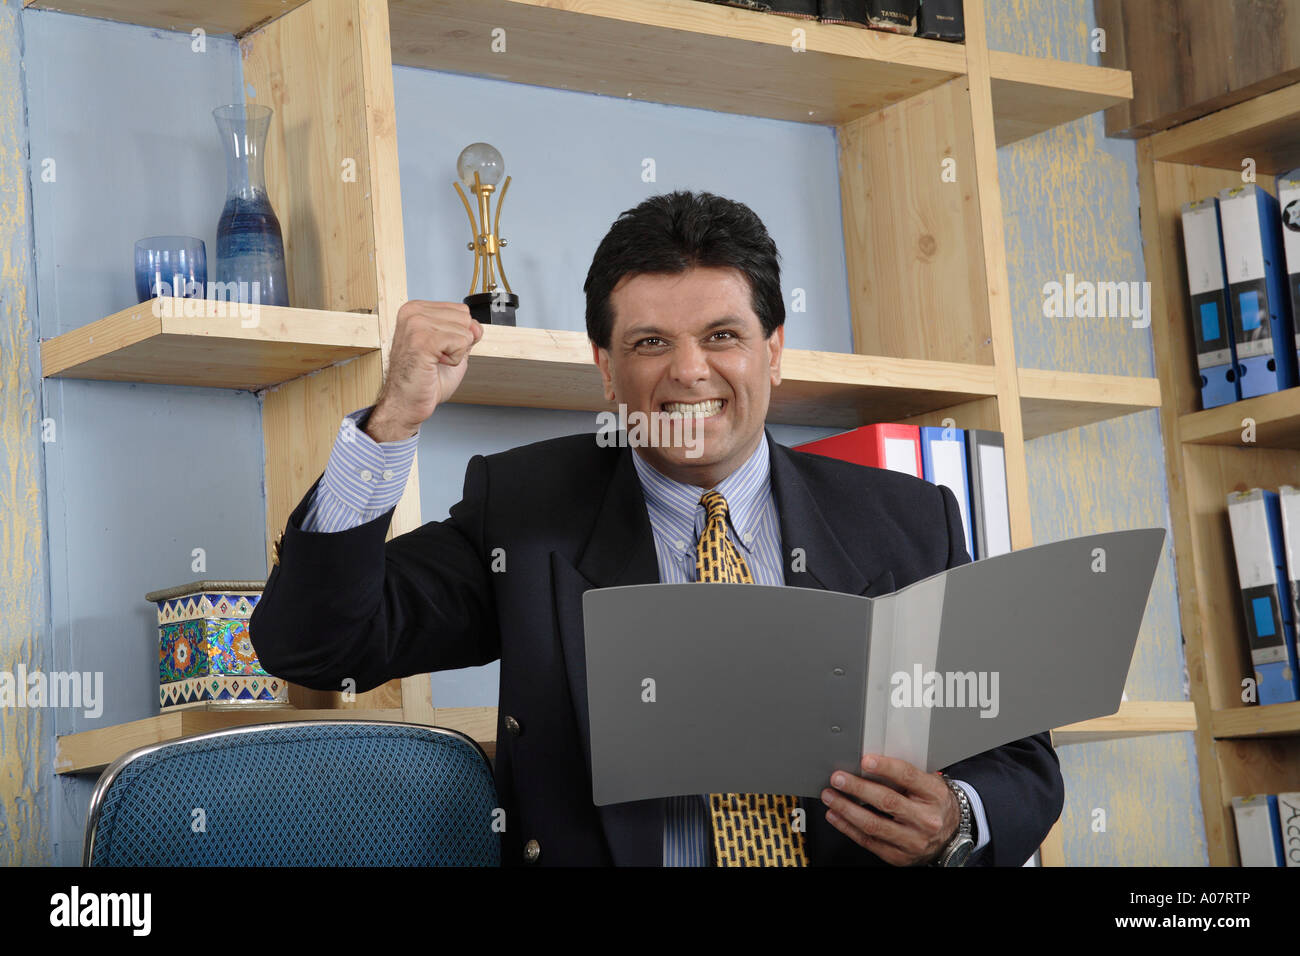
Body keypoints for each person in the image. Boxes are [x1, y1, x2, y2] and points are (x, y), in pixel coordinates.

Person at [249, 190, 1064, 866]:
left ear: (773, 351)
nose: (689, 372)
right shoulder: (527, 509)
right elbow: (318, 647)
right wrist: (394, 420)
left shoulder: (908, 520)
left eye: (722, 336)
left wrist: (958, 816)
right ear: (605, 368)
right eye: (649, 343)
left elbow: (1021, 761)